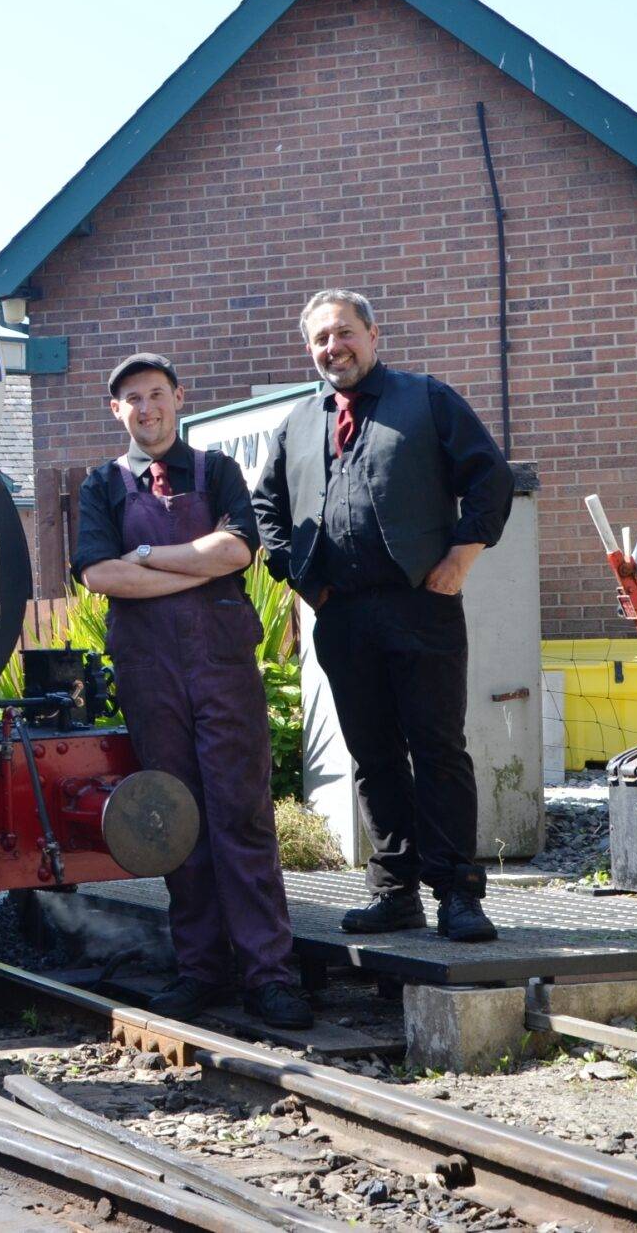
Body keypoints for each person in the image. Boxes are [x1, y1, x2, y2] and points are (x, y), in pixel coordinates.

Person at [252, 290, 513, 942]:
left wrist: (460, 559)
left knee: (439, 749)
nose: (332, 347)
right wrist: (302, 581)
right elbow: (266, 510)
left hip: (421, 609)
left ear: (373, 335)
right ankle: (394, 893)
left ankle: (458, 893)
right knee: (373, 756)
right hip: (342, 618)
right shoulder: (297, 424)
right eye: (320, 339)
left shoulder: (426, 400)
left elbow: (490, 478)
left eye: (343, 332)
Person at [73, 353, 311, 1029]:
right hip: (150, 671)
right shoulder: (103, 486)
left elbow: (238, 551)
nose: (146, 409)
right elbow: (98, 575)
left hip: (221, 666)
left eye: (156, 395)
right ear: (115, 410)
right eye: (131, 400)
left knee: (242, 814)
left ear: (178, 399)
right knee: (173, 818)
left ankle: (270, 976)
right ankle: (200, 971)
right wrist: (192, 567)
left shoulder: (219, 472)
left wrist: (145, 559)